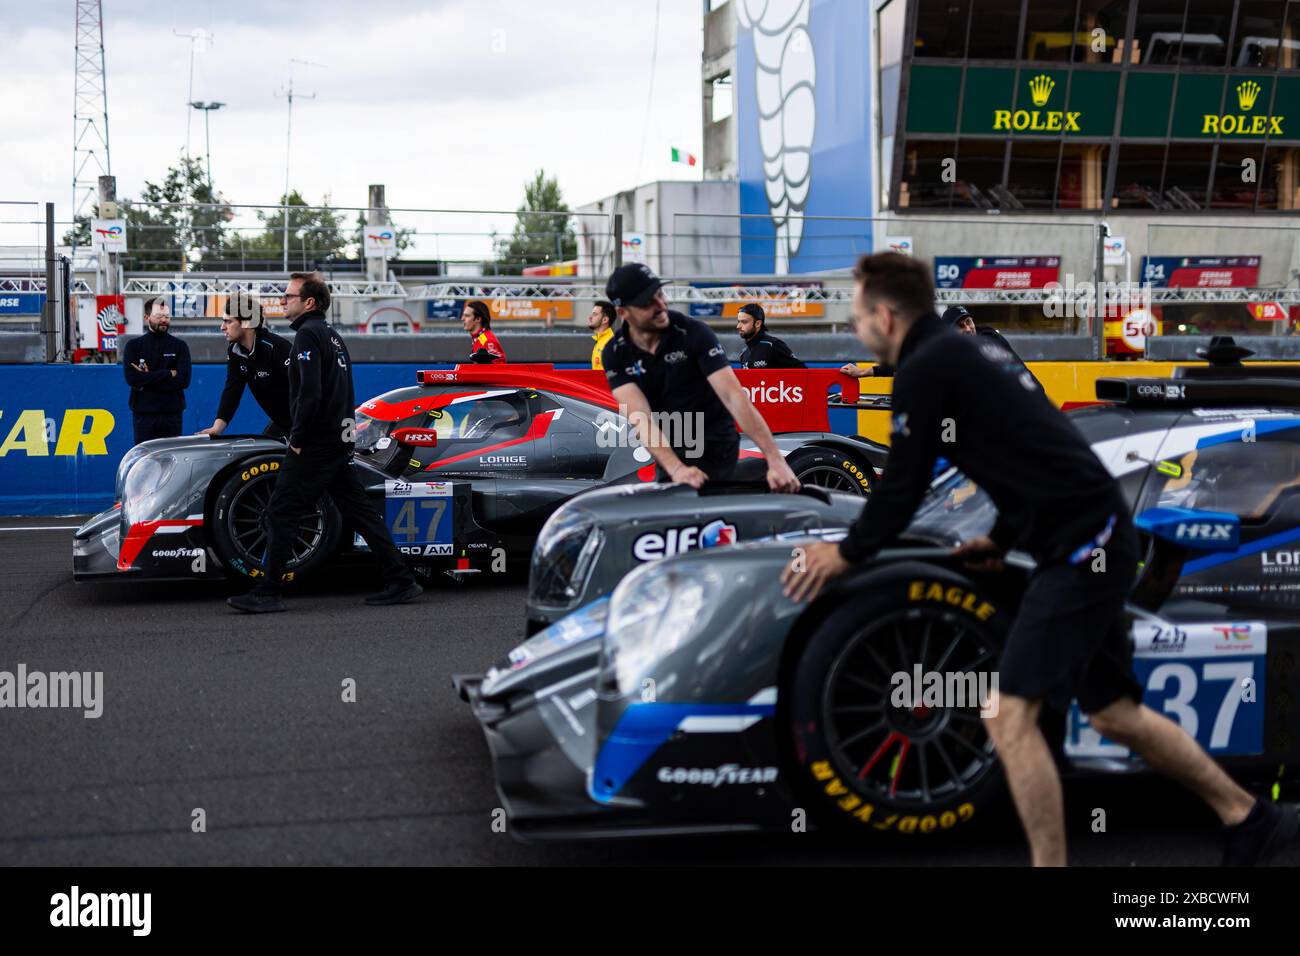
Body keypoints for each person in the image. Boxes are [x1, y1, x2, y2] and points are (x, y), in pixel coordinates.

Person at [783, 251, 1298, 867]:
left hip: (1082, 549)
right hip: (1092, 535)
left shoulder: (928, 367)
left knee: (1006, 717)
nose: (853, 326)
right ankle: (1251, 817)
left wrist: (843, 552)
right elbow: (1027, 455)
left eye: (858, 314)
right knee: (1115, 715)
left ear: (887, 317)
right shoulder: (969, 353)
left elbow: (900, 489)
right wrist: (999, 542)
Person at [228, 272, 422, 613]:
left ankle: (268, 591)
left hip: (317, 441)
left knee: (281, 510)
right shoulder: (331, 336)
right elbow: (342, 391)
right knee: (360, 512)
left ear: (309, 302)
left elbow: (309, 393)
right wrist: (344, 437)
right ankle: (402, 580)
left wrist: (298, 438)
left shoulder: (307, 336)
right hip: (337, 437)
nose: (283, 301)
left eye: (289, 296)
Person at [601, 263, 800, 492]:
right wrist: (676, 469)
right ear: (623, 312)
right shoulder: (615, 354)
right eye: (648, 302)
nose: (661, 305)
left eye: (659, 294)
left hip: (716, 443)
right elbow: (640, 419)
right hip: (671, 443)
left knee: (710, 512)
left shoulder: (693, 332)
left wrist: (776, 461)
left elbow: (733, 397)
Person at [839, 305, 1032, 381]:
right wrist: (863, 372)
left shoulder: (989, 336)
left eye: (969, 322)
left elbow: (1020, 371)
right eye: (960, 326)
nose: (968, 328)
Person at [198, 293, 293, 439]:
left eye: (228, 322)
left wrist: (302, 432)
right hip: (283, 422)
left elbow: (305, 389)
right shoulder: (234, 350)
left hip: (308, 422)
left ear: (247, 323)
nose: (222, 327)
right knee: (265, 452)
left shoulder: (277, 348)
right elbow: (232, 390)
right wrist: (216, 428)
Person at [122, 297, 191, 445]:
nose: (164, 320)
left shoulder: (180, 346)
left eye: (167, 316)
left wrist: (148, 377)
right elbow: (133, 379)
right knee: (146, 461)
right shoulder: (133, 346)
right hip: (144, 416)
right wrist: (168, 374)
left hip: (172, 415)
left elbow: (183, 380)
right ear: (147, 317)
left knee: (172, 459)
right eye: (159, 316)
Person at [737, 303, 806, 369]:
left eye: (744, 322)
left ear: (758, 323)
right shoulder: (743, 354)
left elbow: (802, 371)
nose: (738, 326)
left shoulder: (773, 345)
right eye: (738, 322)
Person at [589, 300, 616, 370]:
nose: (590, 317)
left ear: (605, 320)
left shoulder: (610, 343)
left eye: (594, 314)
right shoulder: (599, 340)